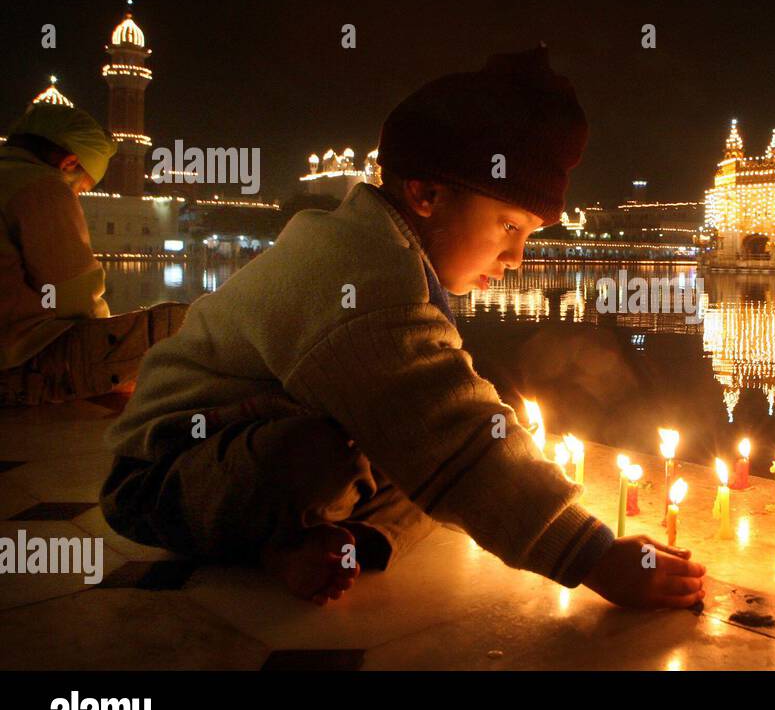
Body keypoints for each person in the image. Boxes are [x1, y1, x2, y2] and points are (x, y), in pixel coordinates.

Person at [100, 47, 707, 608]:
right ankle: (277, 541)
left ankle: (325, 541)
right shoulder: (357, 276)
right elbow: (448, 433)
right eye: (509, 227)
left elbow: (443, 416)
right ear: (425, 194)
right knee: (356, 456)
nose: (518, 258)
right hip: (169, 472)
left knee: (436, 462)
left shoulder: (391, 257)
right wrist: (593, 556)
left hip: (270, 448)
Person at [0, 103, 186, 405]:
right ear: (69, 163)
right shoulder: (42, 187)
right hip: (21, 367)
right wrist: (111, 347)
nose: (76, 196)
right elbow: (74, 296)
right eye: (82, 190)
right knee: (176, 321)